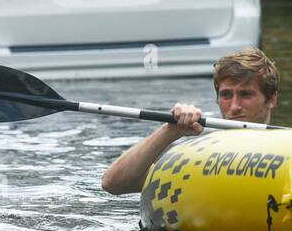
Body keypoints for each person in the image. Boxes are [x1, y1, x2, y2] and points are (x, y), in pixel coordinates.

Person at [101, 48, 279, 195]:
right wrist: (170, 131)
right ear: (217, 99)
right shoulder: (201, 157)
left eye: (245, 94)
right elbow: (113, 184)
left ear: (271, 99)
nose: (234, 106)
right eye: (226, 95)